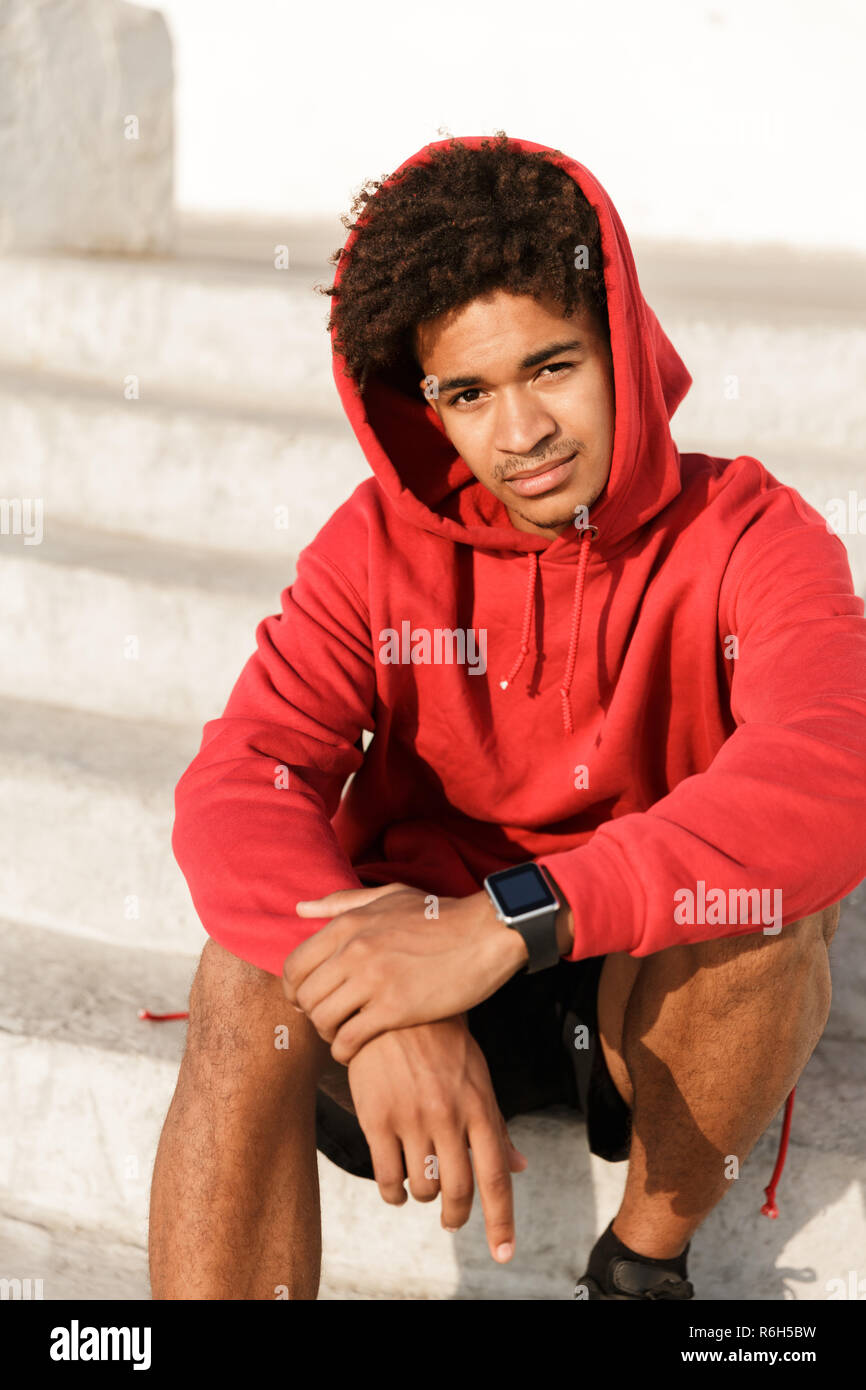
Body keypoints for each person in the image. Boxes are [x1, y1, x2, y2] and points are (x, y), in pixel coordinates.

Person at [150, 133, 866, 1301]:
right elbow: (246, 773)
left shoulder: (751, 531)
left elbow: (827, 776)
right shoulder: (374, 547)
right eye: (467, 393)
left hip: (642, 981)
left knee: (766, 920)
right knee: (243, 970)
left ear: (619, 349)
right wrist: (381, 1006)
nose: (520, 432)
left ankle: (639, 1266)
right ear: (423, 406)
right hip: (426, 936)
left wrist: (504, 923)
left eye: (551, 366)